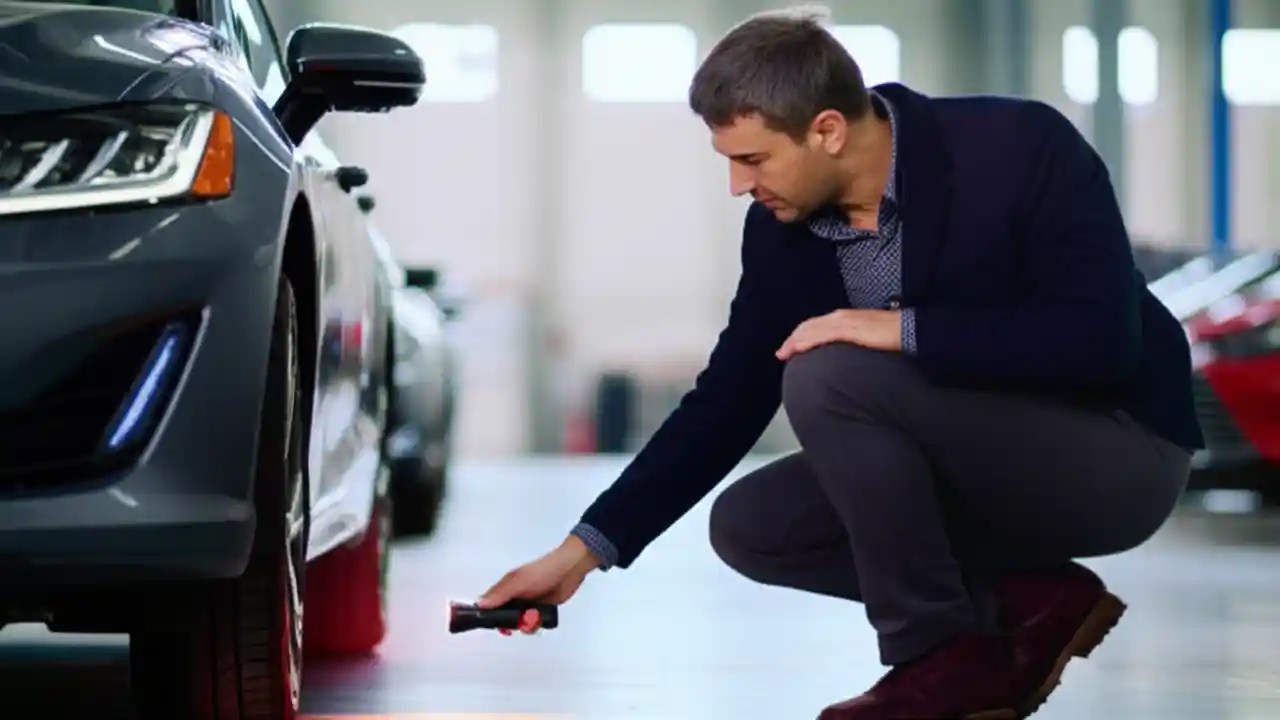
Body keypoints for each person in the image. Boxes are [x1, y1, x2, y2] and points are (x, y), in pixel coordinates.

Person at [478, 6, 1203, 719]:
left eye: (753, 159)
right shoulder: (781, 232)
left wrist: (899, 329)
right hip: (981, 471)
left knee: (829, 371)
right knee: (754, 524)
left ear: (826, 130)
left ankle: (937, 655)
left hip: (1117, 452)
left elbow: (1098, 341)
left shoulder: (1017, 148)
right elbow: (726, 401)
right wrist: (580, 553)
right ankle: (1028, 603)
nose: (738, 185)